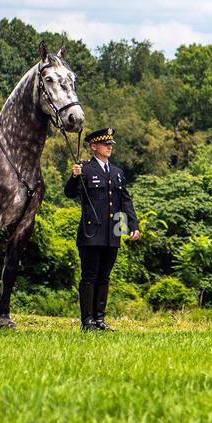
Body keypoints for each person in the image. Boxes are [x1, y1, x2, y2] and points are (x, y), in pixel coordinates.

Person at [65, 127, 140, 331]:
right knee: (89, 276)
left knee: (105, 276)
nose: (109, 147)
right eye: (105, 144)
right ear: (94, 146)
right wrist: (74, 177)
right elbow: (70, 193)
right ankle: (87, 321)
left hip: (112, 232)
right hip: (91, 232)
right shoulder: (85, 169)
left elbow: (126, 201)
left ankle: (99, 319)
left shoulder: (117, 173)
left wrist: (133, 225)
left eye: (111, 144)